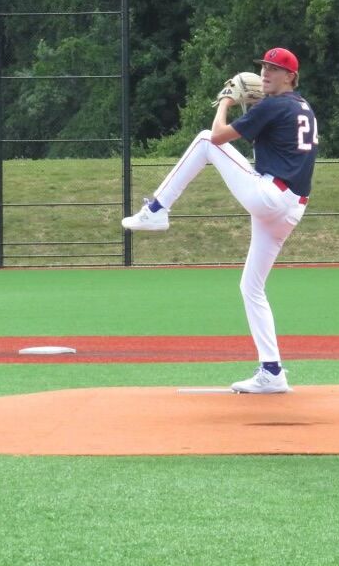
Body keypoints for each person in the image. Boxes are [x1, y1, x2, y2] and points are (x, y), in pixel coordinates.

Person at [122, 47, 318, 394]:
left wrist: (226, 101)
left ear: (292, 77)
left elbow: (218, 137)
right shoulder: (300, 107)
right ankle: (272, 371)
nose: (266, 73)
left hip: (272, 196)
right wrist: (250, 107)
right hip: (290, 207)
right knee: (251, 287)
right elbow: (269, 141)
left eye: (275, 69)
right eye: (264, 67)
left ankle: (156, 210)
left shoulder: (275, 105)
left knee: (202, 140)